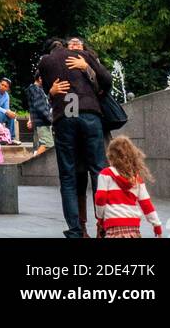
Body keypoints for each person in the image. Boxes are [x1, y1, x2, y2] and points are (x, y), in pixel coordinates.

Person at [39, 35, 112, 239]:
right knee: (98, 171)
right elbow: (107, 80)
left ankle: (75, 230)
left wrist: (51, 91)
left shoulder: (46, 61)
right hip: (89, 115)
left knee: (68, 177)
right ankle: (103, 223)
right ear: (63, 45)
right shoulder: (82, 55)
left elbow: (46, 87)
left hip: (66, 117)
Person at [95, 136, 162, 239]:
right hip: (133, 228)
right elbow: (146, 204)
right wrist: (157, 225)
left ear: (111, 156)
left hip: (113, 227)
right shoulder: (136, 178)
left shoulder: (105, 174)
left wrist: (100, 218)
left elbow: (100, 198)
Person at [25, 71, 54, 156]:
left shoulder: (37, 89)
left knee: (43, 144)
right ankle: (32, 165)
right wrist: (50, 119)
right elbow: (39, 106)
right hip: (42, 122)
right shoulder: (35, 89)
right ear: (40, 78)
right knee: (47, 144)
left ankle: (34, 163)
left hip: (40, 122)